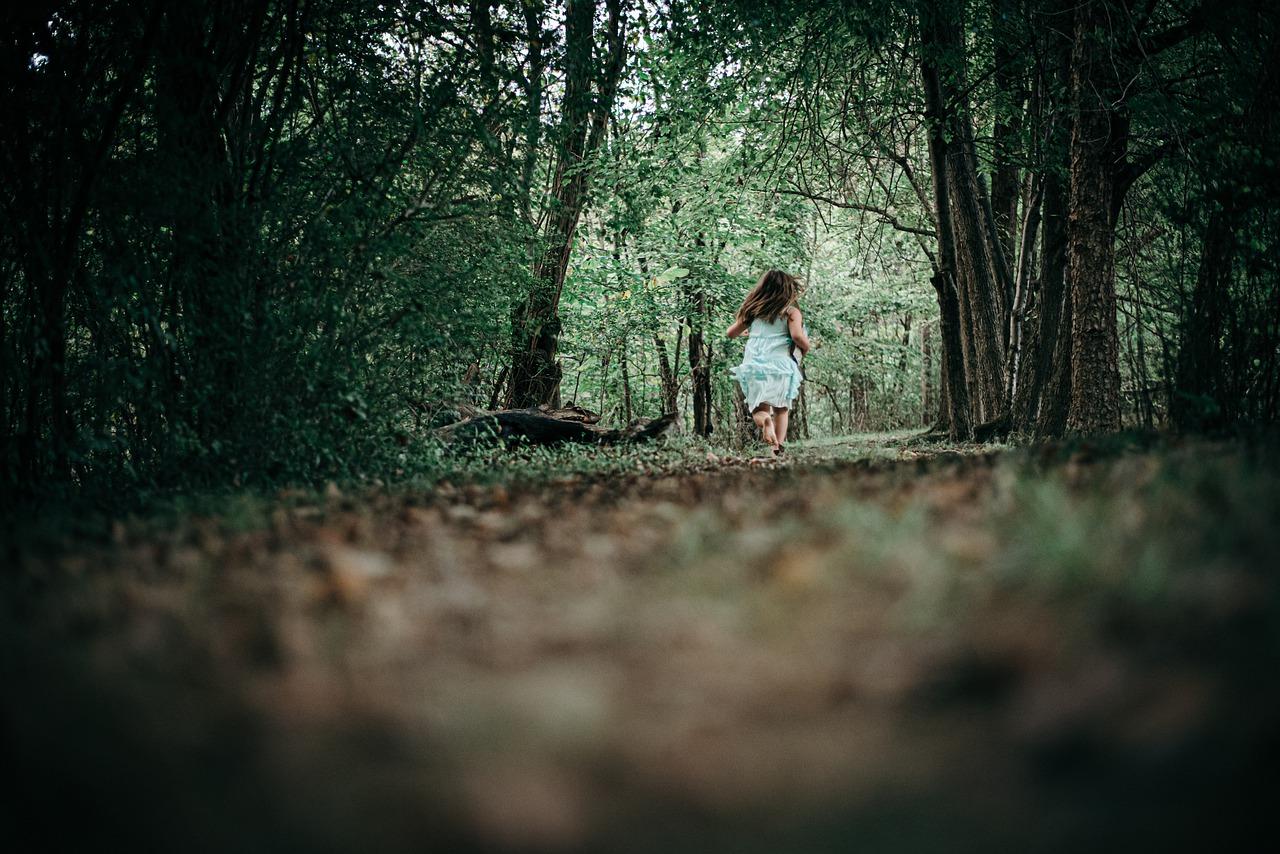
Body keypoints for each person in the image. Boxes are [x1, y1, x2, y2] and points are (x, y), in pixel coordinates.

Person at [727, 269, 811, 458]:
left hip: (755, 366)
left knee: (759, 410)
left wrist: (748, 333)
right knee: (782, 409)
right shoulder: (790, 312)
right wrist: (807, 347)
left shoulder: (752, 310)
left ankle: (766, 421)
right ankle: (777, 449)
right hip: (781, 366)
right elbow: (797, 336)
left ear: (762, 288)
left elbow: (730, 333)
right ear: (787, 289)